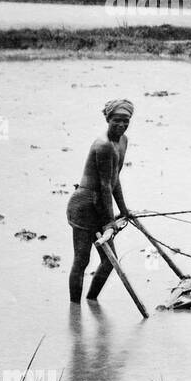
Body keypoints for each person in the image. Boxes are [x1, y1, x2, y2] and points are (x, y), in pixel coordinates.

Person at [67, 98, 133, 304]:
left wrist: (124, 210)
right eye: (117, 121)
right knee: (82, 260)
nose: (121, 125)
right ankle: (75, 308)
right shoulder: (103, 145)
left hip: (101, 204)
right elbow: (104, 186)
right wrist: (109, 222)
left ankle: (91, 300)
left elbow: (115, 179)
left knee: (108, 262)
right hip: (85, 205)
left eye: (126, 121)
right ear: (108, 119)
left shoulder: (123, 141)